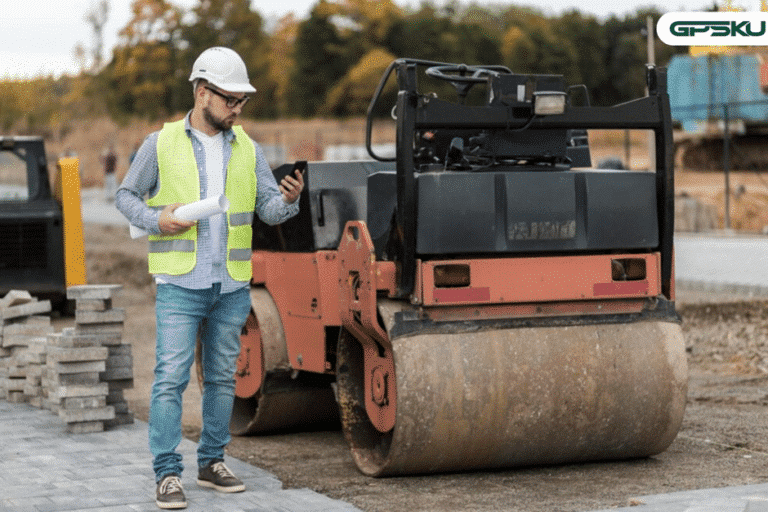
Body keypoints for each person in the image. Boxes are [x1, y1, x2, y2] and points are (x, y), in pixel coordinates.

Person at [115, 46, 304, 510]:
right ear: (203, 93)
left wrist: (290, 199)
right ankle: (167, 473)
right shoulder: (159, 144)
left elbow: (268, 211)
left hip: (231, 285)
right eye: (230, 100)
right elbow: (125, 196)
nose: (238, 110)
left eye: (242, 102)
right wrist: (159, 221)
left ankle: (212, 461)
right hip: (180, 284)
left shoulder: (249, 150)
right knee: (170, 379)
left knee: (222, 378)